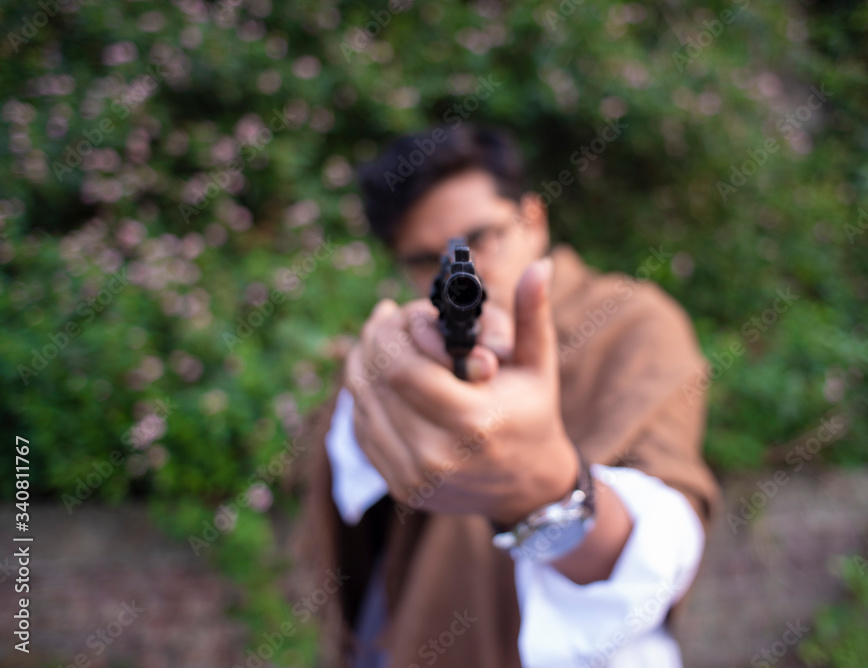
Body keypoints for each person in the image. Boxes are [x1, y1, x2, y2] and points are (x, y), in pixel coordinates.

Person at [297, 125, 719, 668]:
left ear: (533, 220)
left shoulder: (630, 323)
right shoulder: (405, 354)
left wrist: (546, 489)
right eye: (427, 259)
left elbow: (665, 547)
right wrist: (385, 384)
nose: (466, 267)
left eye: (483, 236)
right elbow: (355, 499)